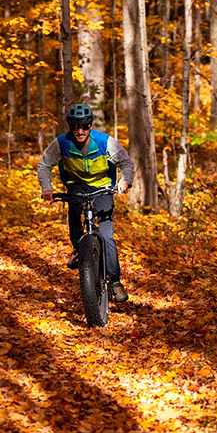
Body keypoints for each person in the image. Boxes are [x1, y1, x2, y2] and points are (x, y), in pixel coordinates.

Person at [37, 103, 135, 302]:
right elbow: (44, 164)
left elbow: (126, 162)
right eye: (75, 127)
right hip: (76, 185)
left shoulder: (105, 142)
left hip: (103, 186)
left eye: (84, 127)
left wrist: (125, 180)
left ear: (90, 126)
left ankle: (115, 281)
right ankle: (78, 248)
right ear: (70, 127)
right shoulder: (62, 143)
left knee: (107, 235)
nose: (79, 131)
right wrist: (46, 188)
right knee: (74, 212)